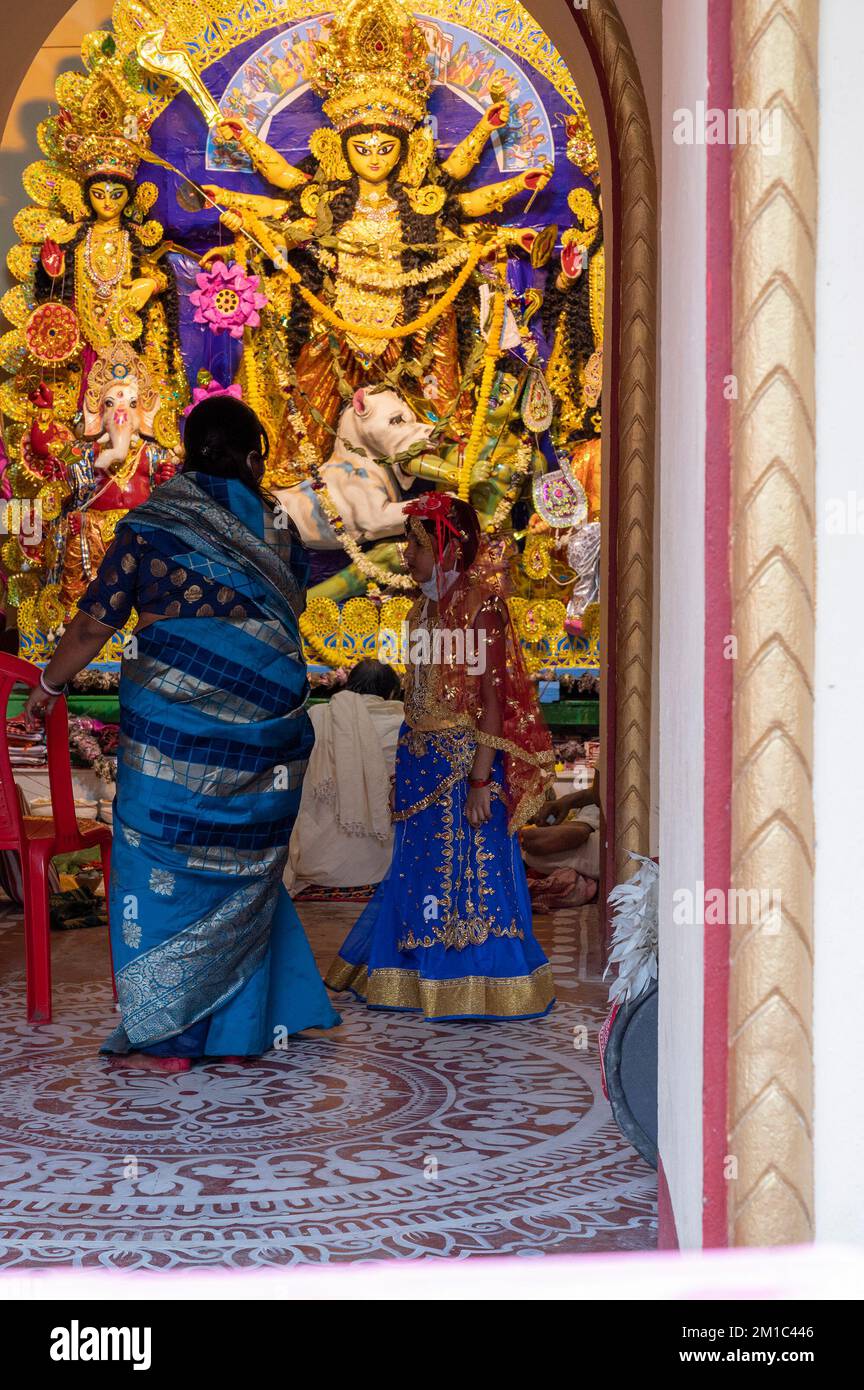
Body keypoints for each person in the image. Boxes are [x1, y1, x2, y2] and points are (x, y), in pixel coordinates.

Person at [24, 394, 340, 1072]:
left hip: (172, 736)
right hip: (264, 735)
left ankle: (172, 1036)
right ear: (253, 456)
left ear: (187, 453)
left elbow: (91, 627)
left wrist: (48, 688)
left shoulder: (150, 524)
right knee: (245, 869)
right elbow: (285, 608)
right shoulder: (281, 525)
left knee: (158, 862)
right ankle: (243, 1026)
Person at [325, 494, 557, 1020]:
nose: (406, 554)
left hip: (465, 763)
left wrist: (481, 780)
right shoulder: (420, 610)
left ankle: (476, 980)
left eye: (416, 544)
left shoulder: (483, 606)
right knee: (419, 869)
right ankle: (414, 975)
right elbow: (418, 694)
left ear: (450, 549)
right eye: (408, 543)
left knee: (471, 869)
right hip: (420, 762)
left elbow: (494, 701)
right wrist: (401, 765)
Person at [285, 659, 404, 891]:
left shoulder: (318, 715)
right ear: (391, 692)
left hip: (317, 857)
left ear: (350, 683)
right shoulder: (400, 722)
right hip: (384, 862)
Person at [520, 769, 601, 907]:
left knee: (532, 855)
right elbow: (597, 793)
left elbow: (598, 793)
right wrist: (566, 802)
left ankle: (581, 825)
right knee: (591, 810)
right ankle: (582, 824)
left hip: (603, 838)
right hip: (593, 815)